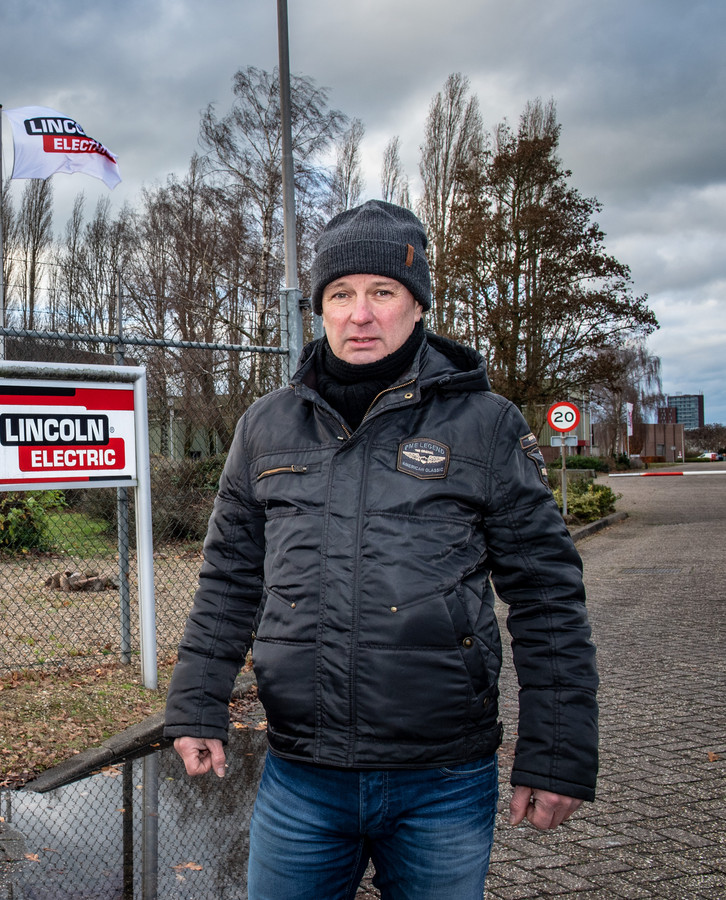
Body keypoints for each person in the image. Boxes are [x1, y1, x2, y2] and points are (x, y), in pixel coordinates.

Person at [163, 200, 598, 899]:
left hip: (443, 784)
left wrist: (557, 751)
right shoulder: (266, 428)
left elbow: (548, 596)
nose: (359, 314)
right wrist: (195, 706)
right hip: (301, 779)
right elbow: (228, 581)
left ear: (418, 306)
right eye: (341, 294)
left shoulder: (485, 427)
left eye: (382, 292)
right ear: (321, 308)